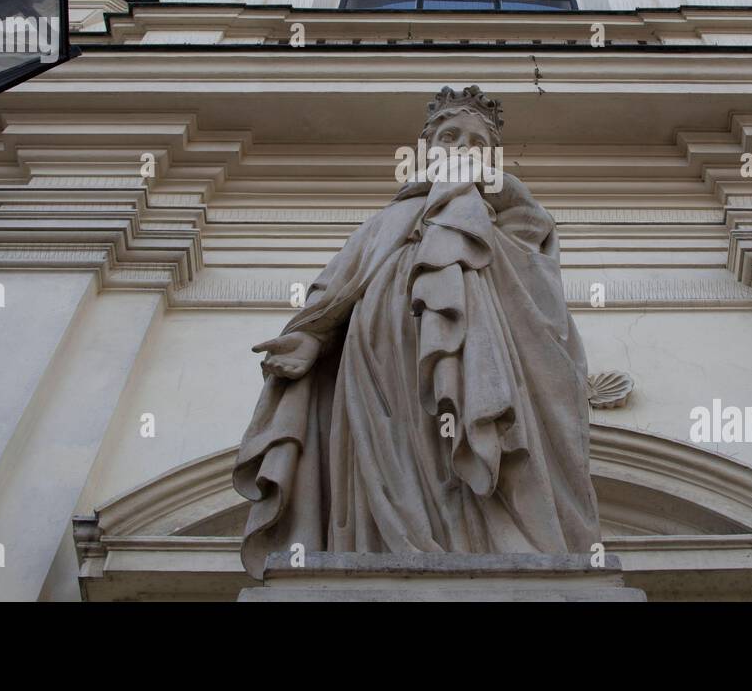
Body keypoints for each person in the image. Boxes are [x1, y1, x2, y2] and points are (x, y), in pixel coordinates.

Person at [233, 85, 601, 579]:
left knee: (465, 441)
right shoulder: (389, 219)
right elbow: (338, 283)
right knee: (390, 455)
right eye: (450, 137)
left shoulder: (507, 217)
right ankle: (388, 547)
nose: (462, 148)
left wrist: (493, 190)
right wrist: (311, 337)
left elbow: (538, 291)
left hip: (476, 357)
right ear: (426, 148)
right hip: (379, 358)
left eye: (477, 143)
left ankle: (485, 544)